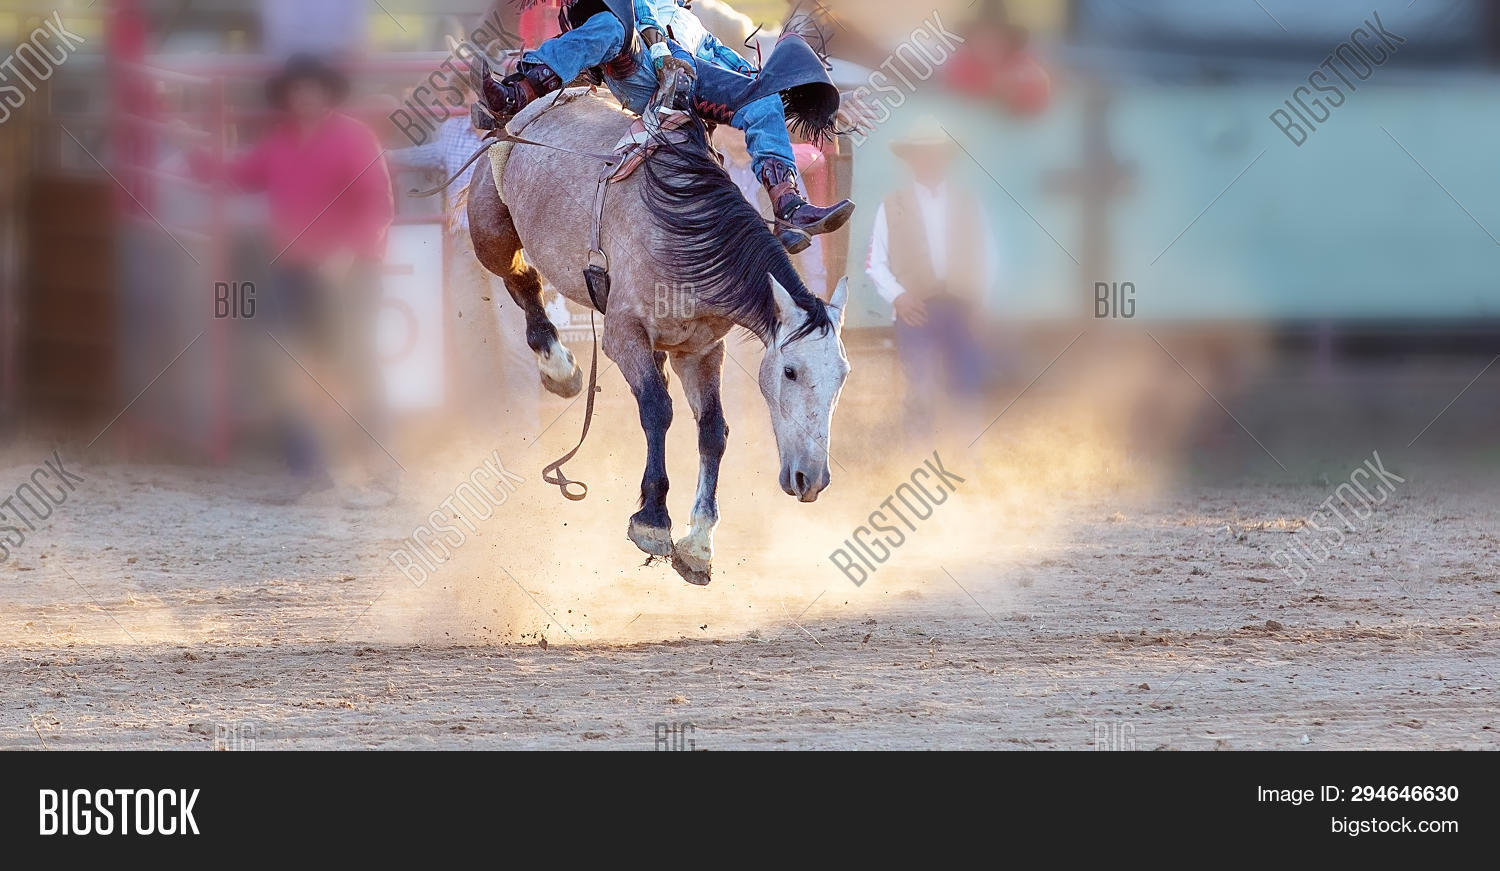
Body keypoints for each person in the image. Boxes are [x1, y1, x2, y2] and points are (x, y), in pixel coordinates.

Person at [469, 0, 854, 252]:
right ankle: (517, 93)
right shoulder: (639, 6)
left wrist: (760, 82)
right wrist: (661, 57)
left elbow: (725, 60)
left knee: (763, 99)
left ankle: (787, 205)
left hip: (690, 74)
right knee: (613, 26)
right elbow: (641, 20)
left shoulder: (692, 23)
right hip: (639, 68)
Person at [185, 55, 397, 505]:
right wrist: (195, 154)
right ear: (287, 96)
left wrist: (348, 252)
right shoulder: (278, 142)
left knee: (356, 365)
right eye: (296, 91)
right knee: (290, 368)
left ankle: (378, 473)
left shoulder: (353, 138)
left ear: (326, 92)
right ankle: (306, 472)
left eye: (312, 89)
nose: (304, 98)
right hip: (294, 268)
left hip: (351, 272)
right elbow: (240, 175)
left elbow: (377, 203)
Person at [387, 85, 541, 447]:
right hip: (465, 245)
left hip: (507, 248)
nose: (477, 103)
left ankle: (524, 435)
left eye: (485, 95)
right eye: (472, 95)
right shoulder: (452, 131)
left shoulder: (513, 134)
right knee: (470, 335)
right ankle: (483, 432)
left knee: (514, 340)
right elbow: (418, 156)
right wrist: (373, 153)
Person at [866, 117, 1000, 446]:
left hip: (962, 308)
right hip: (916, 310)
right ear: (911, 161)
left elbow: (990, 255)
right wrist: (898, 296)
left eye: (935, 155)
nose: (929, 162)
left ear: (945, 160)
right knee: (920, 384)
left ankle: (969, 459)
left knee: (966, 382)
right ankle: (918, 458)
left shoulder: (967, 202)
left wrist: (979, 303)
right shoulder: (892, 205)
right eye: (921, 155)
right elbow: (875, 262)